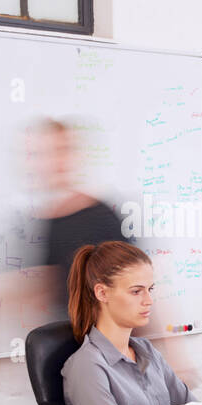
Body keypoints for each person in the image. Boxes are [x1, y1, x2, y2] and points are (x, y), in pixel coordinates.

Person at [61, 241, 193, 405]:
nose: (149, 300)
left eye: (150, 289)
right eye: (136, 291)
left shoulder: (146, 351)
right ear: (102, 293)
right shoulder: (87, 368)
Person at [30, 118, 125, 310]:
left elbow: (133, 285)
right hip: (62, 333)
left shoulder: (100, 216)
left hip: (96, 335)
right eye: (43, 154)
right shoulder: (42, 222)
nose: (53, 162)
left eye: (61, 151)